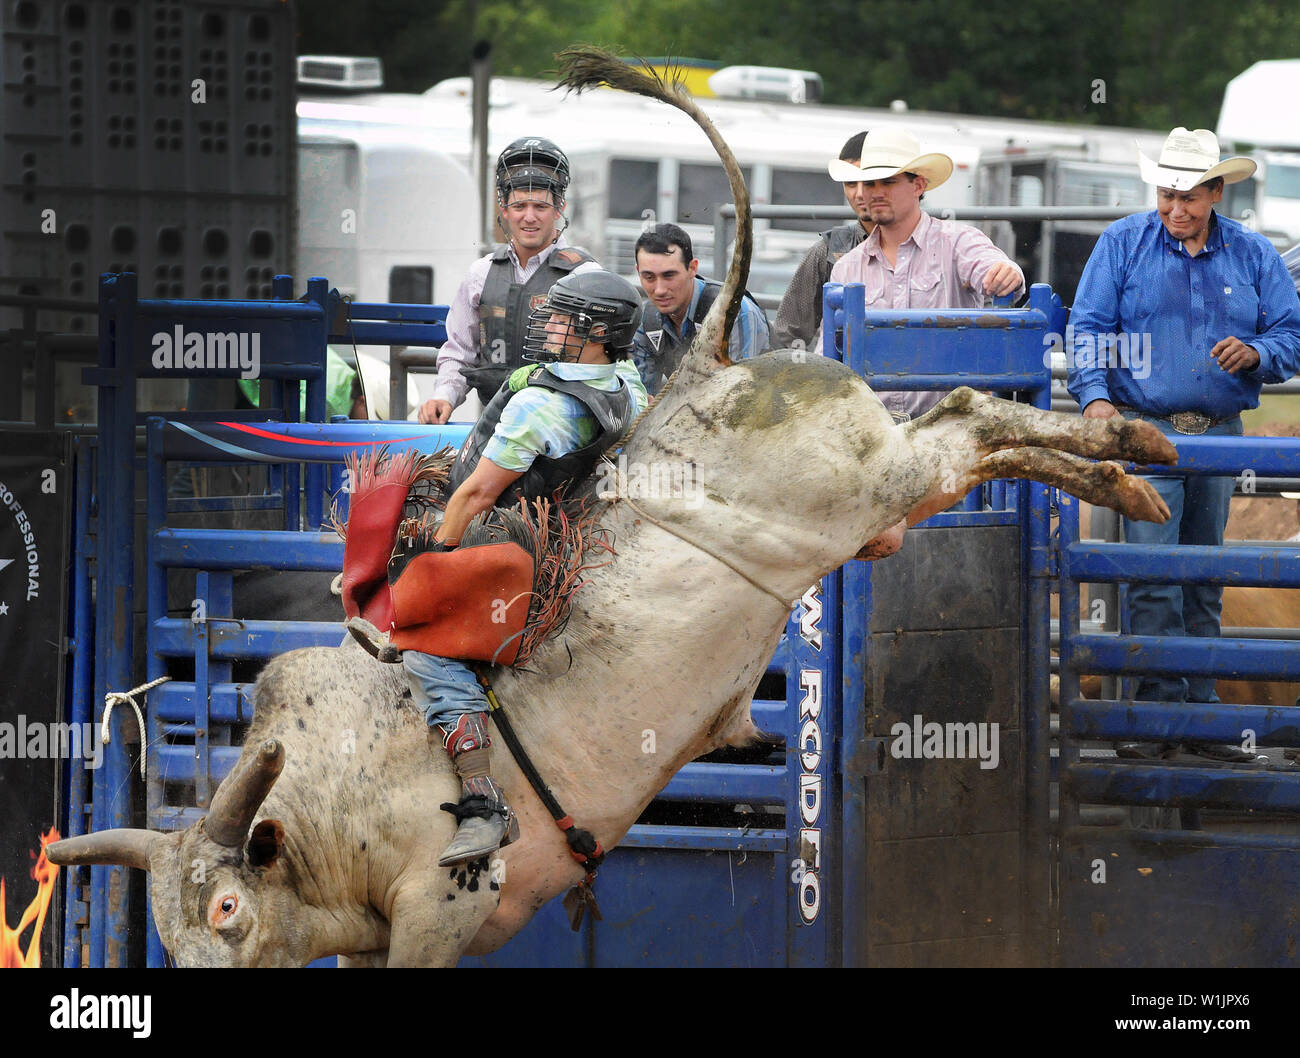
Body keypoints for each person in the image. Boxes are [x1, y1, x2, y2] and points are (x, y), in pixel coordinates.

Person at [395, 270, 649, 864]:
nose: (549, 325)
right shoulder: (627, 382)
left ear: (598, 333)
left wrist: (434, 562)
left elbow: (478, 494)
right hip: (561, 539)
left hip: (510, 550)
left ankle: (482, 801)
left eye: (564, 319)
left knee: (426, 646)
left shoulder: (540, 405)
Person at [1066, 127, 1300, 762]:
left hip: (1220, 438)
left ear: (1217, 191)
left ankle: (1196, 714)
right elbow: (1086, 328)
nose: (1175, 208)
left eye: (1189, 197)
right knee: (1154, 574)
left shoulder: (1253, 254)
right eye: (1167, 194)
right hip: (1148, 431)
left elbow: (1290, 333)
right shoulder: (1122, 244)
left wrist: (1260, 351)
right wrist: (1096, 400)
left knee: (1204, 573)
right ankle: (1159, 712)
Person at [816, 128, 1025, 422]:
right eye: (869, 182)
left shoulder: (957, 242)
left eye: (888, 181)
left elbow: (991, 265)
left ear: (918, 186)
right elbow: (828, 357)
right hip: (874, 430)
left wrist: (1005, 272)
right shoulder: (847, 267)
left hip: (946, 426)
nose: (874, 192)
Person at [418, 137, 602, 424]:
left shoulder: (585, 277)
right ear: (504, 208)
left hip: (563, 433)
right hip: (492, 429)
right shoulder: (480, 274)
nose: (529, 217)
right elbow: (460, 352)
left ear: (559, 207)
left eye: (540, 206)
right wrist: (444, 396)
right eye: (520, 206)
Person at [630, 222, 771, 395]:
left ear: (692, 268)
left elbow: (745, 395)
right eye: (649, 277)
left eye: (669, 275)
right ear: (638, 272)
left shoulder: (735, 312)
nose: (659, 290)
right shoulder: (647, 319)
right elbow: (642, 399)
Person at [773, 130, 876, 350]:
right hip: (843, 378)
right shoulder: (828, 251)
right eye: (850, 183)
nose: (859, 193)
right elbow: (789, 336)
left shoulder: (941, 246)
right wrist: (797, 375)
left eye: (868, 181)